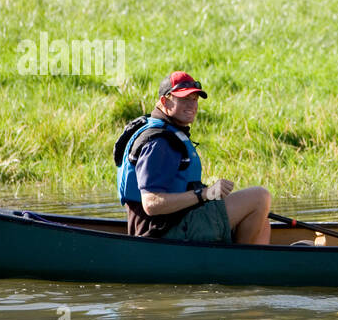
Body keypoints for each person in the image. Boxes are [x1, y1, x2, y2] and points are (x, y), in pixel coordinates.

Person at [116, 71, 272, 244]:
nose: (192, 105)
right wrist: (204, 194)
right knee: (260, 197)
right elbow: (151, 204)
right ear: (164, 101)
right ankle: (235, 264)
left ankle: (248, 264)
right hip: (163, 232)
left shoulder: (169, 132)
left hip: (176, 221)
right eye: (184, 99)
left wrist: (207, 195)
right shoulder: (159, 143)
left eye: (194, 99)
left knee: (262, 221)